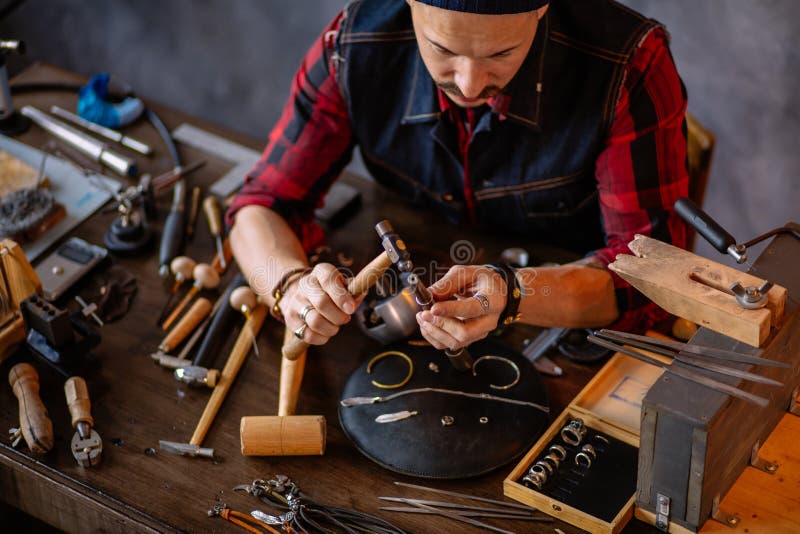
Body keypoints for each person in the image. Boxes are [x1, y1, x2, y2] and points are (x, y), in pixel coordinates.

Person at [227, 0, 689, 353]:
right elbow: (259, 206)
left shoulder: (629, 67)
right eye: (443, 49)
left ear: (541, 10)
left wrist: (516, 293)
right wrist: (287, 284)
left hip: (567, 315)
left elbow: (653, 277)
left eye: (501, 53)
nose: (469, 85)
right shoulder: (354, 46)